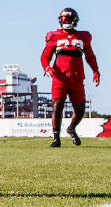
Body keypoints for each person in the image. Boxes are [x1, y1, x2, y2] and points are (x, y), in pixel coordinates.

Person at [41, 8, 100, 147]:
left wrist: (96, 71)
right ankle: (56, 139)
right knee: (57, 107)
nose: (68, 21)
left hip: (77, 78)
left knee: (80, 111)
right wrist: (47, 67)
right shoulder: (54, 36)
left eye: (70, 19)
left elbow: (90, 56)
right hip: (59, 77)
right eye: (65, 19)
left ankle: (71, 128)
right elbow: (45, 56)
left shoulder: (83, 36)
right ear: (61, 20)